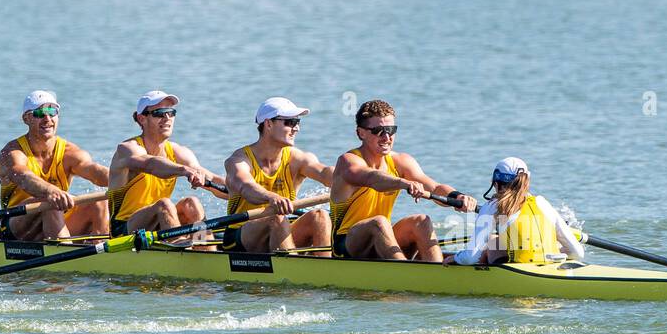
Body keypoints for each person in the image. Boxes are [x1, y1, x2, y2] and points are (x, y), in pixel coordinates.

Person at [328, 99, 475, 260]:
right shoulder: (348, 161)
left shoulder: (400, 161)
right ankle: (404, 271)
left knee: (421, 221)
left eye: (391, 130)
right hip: (346, 244)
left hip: (380, 236)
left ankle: (437, 272)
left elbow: (434, 187)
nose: (386, 137)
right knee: (379, 222)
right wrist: (403, 183)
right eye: (378, 130)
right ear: (361, 133)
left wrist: (457, 197)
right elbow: (372, 178)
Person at [107, 91, 225, 238]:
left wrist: (246, 191)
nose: (167, 118)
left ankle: (206, 251)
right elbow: (150, 164)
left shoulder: (178, 151)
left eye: (171, 112)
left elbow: (213, 179)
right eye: (159, 113)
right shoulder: (127, 149)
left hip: (157, 223)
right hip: (124, 228)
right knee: (164, 205)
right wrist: (184, 170)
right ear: (142, 118)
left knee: (191, 203)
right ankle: (179, 252)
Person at [222, 97, 333, 254]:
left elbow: (325, 173)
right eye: (290, 122)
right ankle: (292, 269)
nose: (296, 129)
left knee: (319, 216)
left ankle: (325, 271)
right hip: (240, 236)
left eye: (297, 122)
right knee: (277, 218)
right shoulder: (239, 160)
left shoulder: (297, 159)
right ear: (268, 124)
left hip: (281, 227)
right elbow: (247, 187)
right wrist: (271, 197)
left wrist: (351, 176)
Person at [0, 90, 109, 240]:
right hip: (16, 225)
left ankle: (99, 250)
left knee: (100, 202)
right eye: (39, 113)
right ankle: (63, 250)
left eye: (52, 111)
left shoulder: (70, 153)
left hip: (55, 219)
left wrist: (126, 177)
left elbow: (96, 173)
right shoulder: (12, 152)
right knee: (50, 201)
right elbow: (23, 176)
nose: (47, 118)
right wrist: (51, 191)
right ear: (26, 119)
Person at [454, 158, 585, 265]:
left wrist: (455, 258)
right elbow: (578, 253)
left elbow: (470, 258)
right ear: (526, 181)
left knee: (493, 241)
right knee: (498, 240)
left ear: (495, 183)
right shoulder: (543, 203)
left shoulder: (492, 206)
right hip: (551, 265)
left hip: (518, 273)